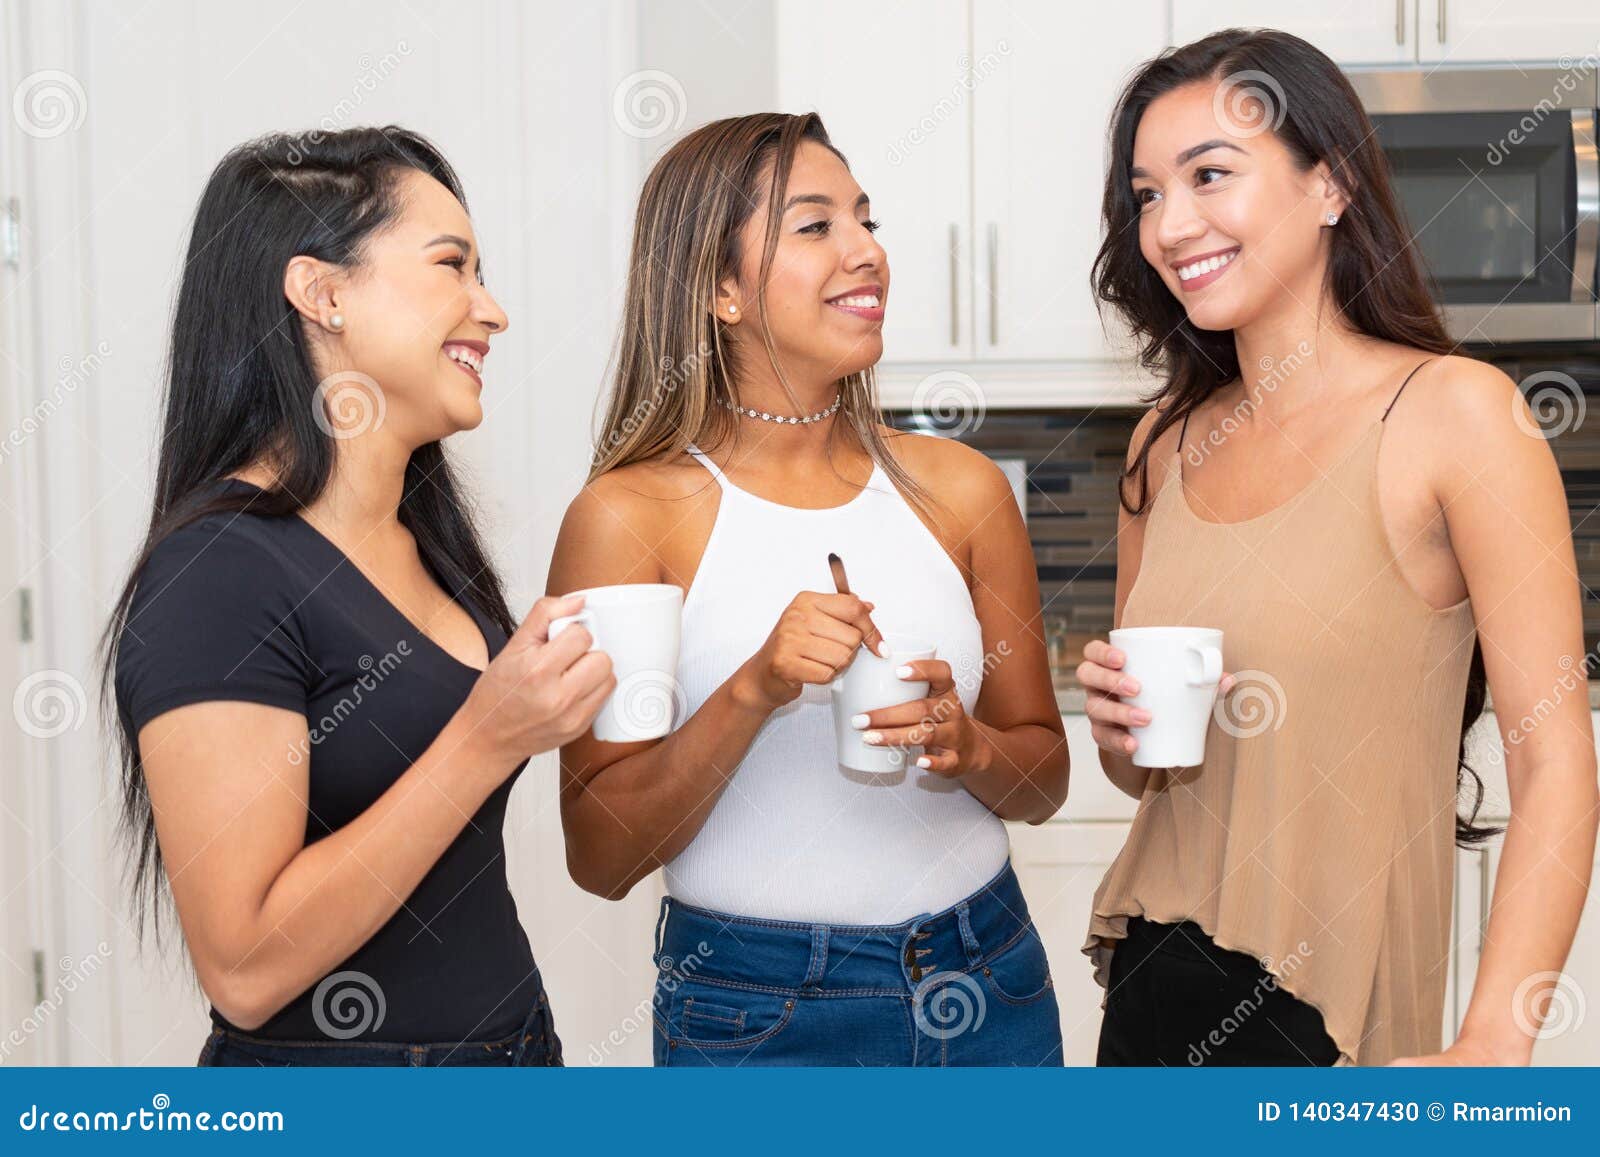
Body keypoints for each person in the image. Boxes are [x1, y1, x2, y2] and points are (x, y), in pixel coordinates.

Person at [1078, 29, 1598, 1066]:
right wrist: (1118, 727)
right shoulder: (1163, 441)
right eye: (1144, 195)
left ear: (1330, 187)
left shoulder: (1457, 413)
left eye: (1208, 176)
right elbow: (1138, 776)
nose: (1170, 224)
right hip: (1145, 990)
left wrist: (1495, 1040)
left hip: (1330, 1023)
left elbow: (1554, 761)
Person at [550, 113, 1070, 1066]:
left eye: (866, 220)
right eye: (816, 225)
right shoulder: (628, 518)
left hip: (989, 977)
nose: (867, 251)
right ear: (719, 289)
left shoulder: (962, 491)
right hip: (756, 1014)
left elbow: (1044, 778)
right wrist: (755, 689)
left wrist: (970, 745)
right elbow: (600, 853)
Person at [103, 127, 613, 1066]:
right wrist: (487, 734)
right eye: (451, 265)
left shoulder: (428, 541)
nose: (491, 311)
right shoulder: (218, 569)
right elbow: (245, 967)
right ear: (323, 293)